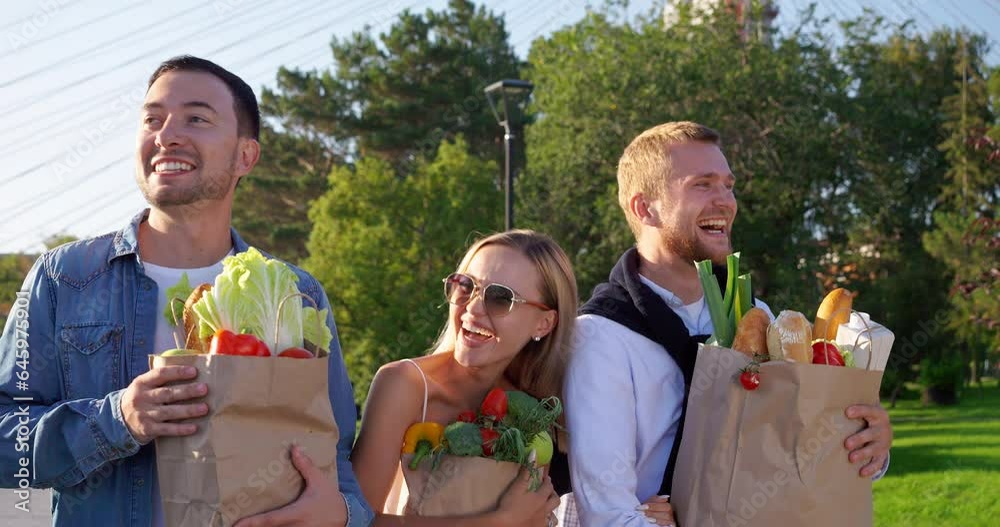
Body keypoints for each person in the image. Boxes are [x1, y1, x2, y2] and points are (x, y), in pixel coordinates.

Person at [0, 56, 373, 527]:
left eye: (196, 118)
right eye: (152, 119)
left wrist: (341, 513)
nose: (166, 135)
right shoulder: (63, 278)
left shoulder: (293, 294)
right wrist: (118, 418)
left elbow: (336, 456)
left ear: (245, 156)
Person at [564, 121, 893, 526]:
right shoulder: (601, 338)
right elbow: (607, 513)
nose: (726, 201)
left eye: (728, 185)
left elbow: (793, 448)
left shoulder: (760, 318)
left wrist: (869, 446)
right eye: (702, 185)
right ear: (644, 208)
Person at [237, 230, 575, 527]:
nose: (472, 309)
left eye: (500, 298)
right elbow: (357, 520)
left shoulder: (534, 414)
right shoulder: (405, 385)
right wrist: (494, 523)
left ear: (544, 323)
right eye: (466, 286)